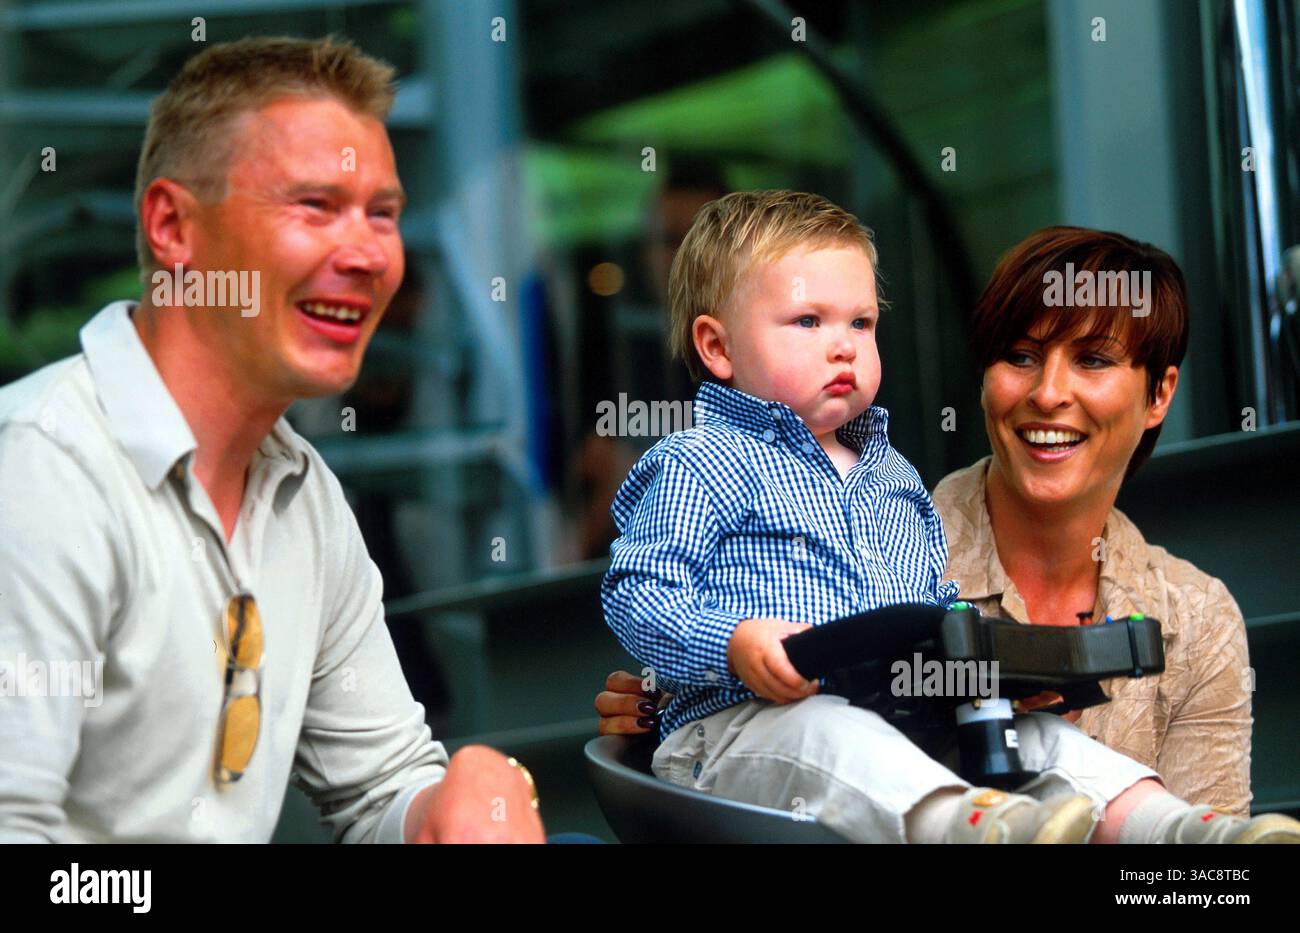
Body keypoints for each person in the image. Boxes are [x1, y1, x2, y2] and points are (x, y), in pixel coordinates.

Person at [598, 192, 1299, 843]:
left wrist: (995, 675)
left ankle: (1180, 831)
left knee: (1044, 740)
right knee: (827, 732)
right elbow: (649, 601)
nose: (1050, 392)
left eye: (861, 323)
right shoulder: (701, 462)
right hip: (794, 736)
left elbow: (933, 615)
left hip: (900, 725)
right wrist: (686, 675)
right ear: (717, 347)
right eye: (1020, 356)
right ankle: (971, 825)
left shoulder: (891, 483)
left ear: (1159, 395)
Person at [0, 36, 543, 843]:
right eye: (315, 205)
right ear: (172, 227)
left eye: (383, 213)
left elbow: (380, 785)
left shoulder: (303, 489)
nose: (366, 254)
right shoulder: (43, 467)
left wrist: (451, 806)